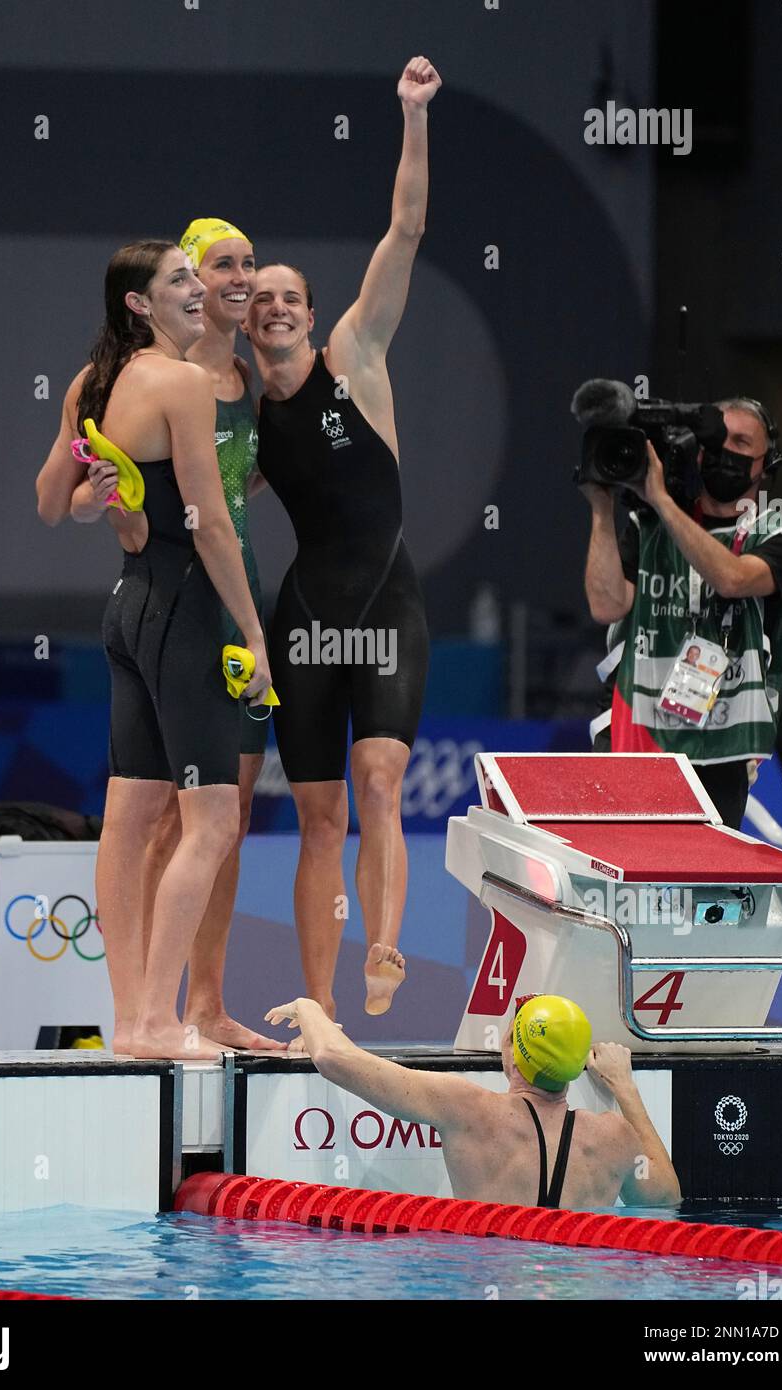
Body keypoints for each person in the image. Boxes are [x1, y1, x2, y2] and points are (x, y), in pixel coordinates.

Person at [36, 240, 271, 1058]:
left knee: (128, 820)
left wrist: (92, 499)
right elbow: (209, 522)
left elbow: (49, 503)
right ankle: (160, 1022)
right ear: (141, 303)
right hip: (187, 611)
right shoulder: (180, 383)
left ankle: (131, 1020)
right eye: (179, 279)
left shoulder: (94, 383)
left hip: (127, 608)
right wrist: (252, 631)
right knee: (210, 825)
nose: (198, 289)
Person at [243, 56, 440, 1021]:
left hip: (386, 605)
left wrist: (411, 116)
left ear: (313, 315)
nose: (275, 304)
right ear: (243, 322)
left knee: (381, 779)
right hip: (304, 616)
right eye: (259, 298)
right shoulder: (235, 413)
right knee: (316, 816)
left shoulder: (354, 355)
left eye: (291, 296)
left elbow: (405, 227)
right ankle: (315, 1003)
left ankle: (388, 950)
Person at [583, 398, 782, 828]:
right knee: (624, 880)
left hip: (724, 741)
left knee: (705, 884)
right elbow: (606, 605)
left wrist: (662, 500)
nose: (726, 451)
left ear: (766, 462)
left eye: (741, 442)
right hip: (634, 726)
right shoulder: (646, 526)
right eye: (717, 440)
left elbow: (733, 579)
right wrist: (600, 507)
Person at [264, 992, 681, 1209]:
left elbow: (332, 1057)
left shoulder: (468, 1109)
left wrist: (310, 1008)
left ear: (511, 1051)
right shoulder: (613, 1136)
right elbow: (665, 1198)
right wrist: (625, 1089)